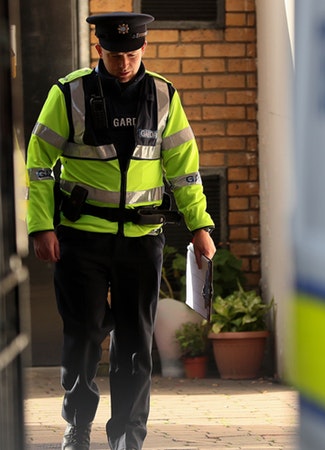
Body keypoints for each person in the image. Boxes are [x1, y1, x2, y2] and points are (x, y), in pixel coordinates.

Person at [25, 12, 216, 450]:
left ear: (143, 49)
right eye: (114, 54)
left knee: (135, 343)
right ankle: (77, 428)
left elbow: (185, 171)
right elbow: (38, 163)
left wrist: (199, 224)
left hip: (142, 240)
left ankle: (128, 438)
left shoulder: (165, 95)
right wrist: (40, 226)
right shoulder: (69, 92)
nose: (124, 63)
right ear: (99, 50)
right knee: (84, 337)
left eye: (132, 54)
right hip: (81, 237)